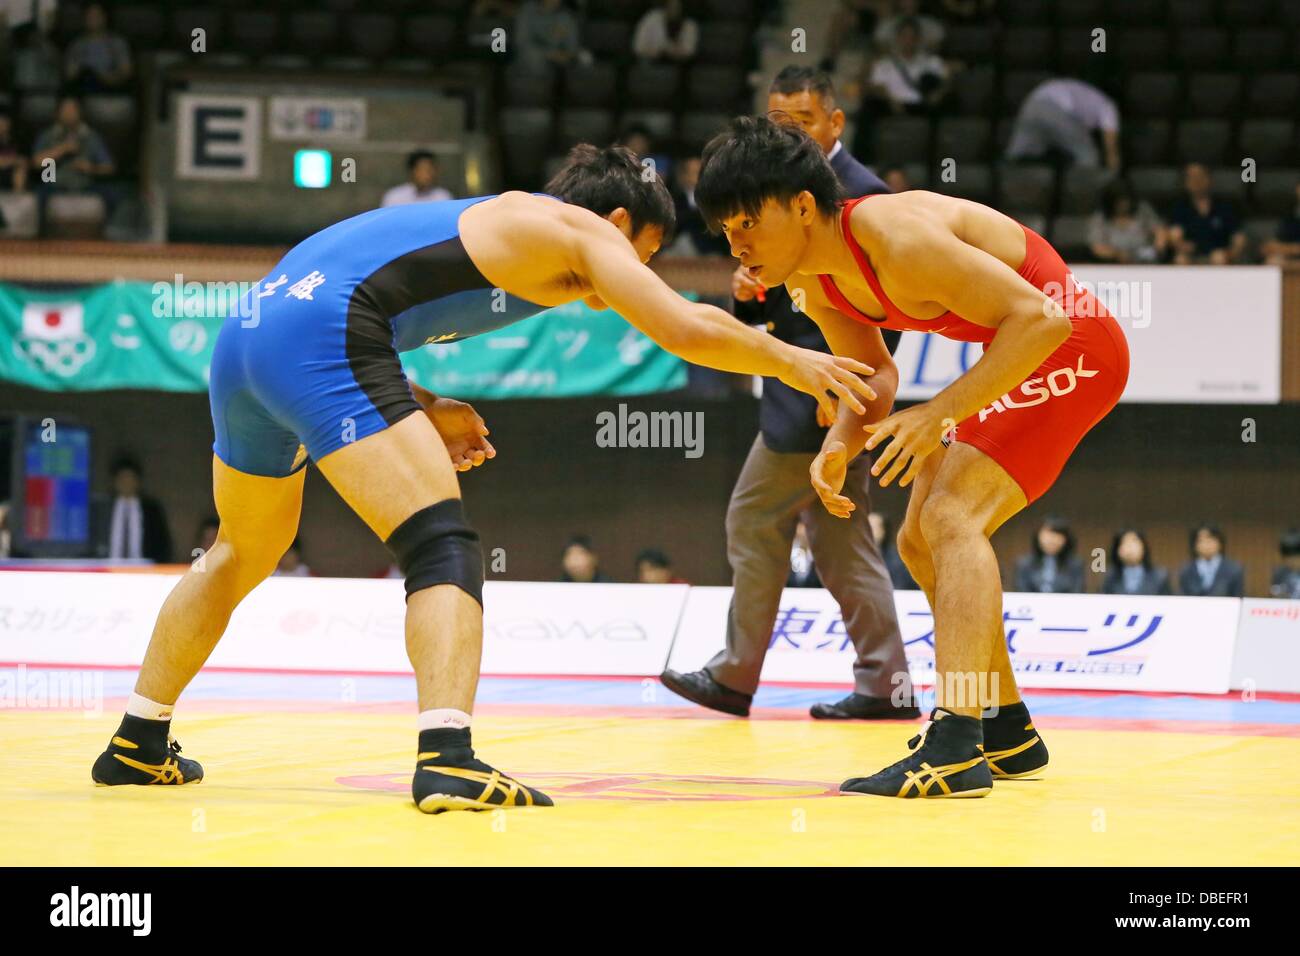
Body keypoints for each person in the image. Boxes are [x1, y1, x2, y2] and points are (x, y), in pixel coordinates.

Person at [89, 143, 875, 812]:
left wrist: (421, 403)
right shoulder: (576, 229)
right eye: (647, 257)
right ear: (620, 225)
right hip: (322, 336)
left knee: (239, 550)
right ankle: (447, 757)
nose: (636, 278)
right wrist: (792, 359)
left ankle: (138, 739)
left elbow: (354, 298)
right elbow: (684, 326)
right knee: (441, 544)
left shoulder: (501, 220)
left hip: (249, 340)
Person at [696, 116, 1130, 797]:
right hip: (1019, 353)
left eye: (748, 221)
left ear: (804, 207)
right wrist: (839, 443)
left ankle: (956, 740)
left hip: (1071, 343)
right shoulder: (811, 279)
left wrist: (942, 412)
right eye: (726, 230)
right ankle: (1004, 726)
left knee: (952, 518)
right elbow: (875, 377)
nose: (737, 245)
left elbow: (1044, 320)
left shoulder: (894, 237)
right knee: (919, 539)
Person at [661, 67, 916, 723]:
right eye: (777, 121)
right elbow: (778, 297)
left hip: (825, 390)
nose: (787, 132)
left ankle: (735, 676)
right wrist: (750, 296)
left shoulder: (859, 195)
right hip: (806, 379)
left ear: (835, 123)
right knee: (841, 542)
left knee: (754, 520)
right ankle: (884, 686)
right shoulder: (769, 186)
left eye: (801, 121)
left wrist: (843, 392)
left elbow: (875, 313)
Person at [1005, 76, 1121, 172]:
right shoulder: (1107, 105)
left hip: (1033, 103)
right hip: (1055, 107)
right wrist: (1113, 171)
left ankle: (999, 191)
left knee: (1017, 156)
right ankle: (1081, 195)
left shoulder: (1089, 96)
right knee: (1088, 155)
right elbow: (1111, 146)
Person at [865, 18, 949, 117]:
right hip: (892, 106)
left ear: (918, 39)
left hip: (923, 108)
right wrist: (890, 100)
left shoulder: (932, 62)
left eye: (912, 37)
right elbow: (875, 86)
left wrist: (938, 94)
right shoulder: (884, 64)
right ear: (898, 38)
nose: (908, 40)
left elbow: (947, 81)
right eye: (904, 36)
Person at [32, 95, 114, 195]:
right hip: (53, 186)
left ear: (80, 112)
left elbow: (108, 168)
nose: (68, 114)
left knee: (111, 193)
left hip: (86, 186)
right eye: (65, 110)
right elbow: (37, 163)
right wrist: (63, 149)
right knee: (39, 193)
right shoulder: (48, 135)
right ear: (57, 113)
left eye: (72, 110)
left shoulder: (91, 137)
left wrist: (91, 168)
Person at [1167, 163, 1247, 265]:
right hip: (1192, 256)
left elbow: (1238, 238)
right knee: (1180, 259)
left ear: (1209, 179)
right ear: (1185, 182)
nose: (1197, 181)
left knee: (1218, 257)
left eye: (1200, 176)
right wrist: (1182, 246)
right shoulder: (1180, 208)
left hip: (1221, 255)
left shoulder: (1225, 207)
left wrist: (1231, 254)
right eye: (1191, 177)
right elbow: (1175, 236)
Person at [100, 456, 173, 564]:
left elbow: (163, 545)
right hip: (107, 570)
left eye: (130, 478)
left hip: (144, 572)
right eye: (122, 479)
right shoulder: (103, 508)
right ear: (114, 481)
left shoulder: (151, 510)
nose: (126, 483)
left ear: (138, 481)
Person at [1088, 178, 1168, 264]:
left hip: (1144, 262)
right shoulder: (1100, 218)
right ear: (1110, 202)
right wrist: (1118, 254)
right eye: (1119, 202)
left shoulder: (1142, 210)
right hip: (1113, 264)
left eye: (1126, 200)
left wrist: (1156, 251)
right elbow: (1097, 248)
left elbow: (1160, 231)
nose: (1124, 205)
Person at [64, 2, 133, 93]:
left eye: (97, 16)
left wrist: (106, 78)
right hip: (82, 88)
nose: (93, 19)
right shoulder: (77, 45)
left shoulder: (117, 43)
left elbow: (126, 72)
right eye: (89, 16)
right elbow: (70, 74)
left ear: (105, 18)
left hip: (110, 87)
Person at [1012, 516, 1085, 594]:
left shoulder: (1076, 565)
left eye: (1057, 535)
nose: (1052, 540)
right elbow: (1020, 592)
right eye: (1048, 535)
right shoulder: (1023, 564)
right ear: (1038, 536)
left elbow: (1077, 593)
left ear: (1066, 539)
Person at [514, 0, 586, 70]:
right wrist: (551, 54)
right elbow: (521, 41)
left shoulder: (566, 17)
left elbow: (572, 48)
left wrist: (568, 52)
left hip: (558, 69)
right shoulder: (527, 10)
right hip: (529, 66)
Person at [1177, 524, 1245, 597]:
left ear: (1220, 543)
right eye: (1201, 541)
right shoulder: (1186, 570)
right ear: (1195, 545)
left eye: (1210, 540)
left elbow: (1238, 597)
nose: (1206, 545)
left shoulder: (1234, 570)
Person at [1101, 528, 1170, 596]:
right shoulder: (1109, 578)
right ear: (1117, 550)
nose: (1129, 547)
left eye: (1134, 541)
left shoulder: (1159, 576)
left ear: (1143, 546)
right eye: (1124, 543)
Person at [632, 0, 698, 63]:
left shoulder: (689, 25)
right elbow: (638, 47)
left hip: (678, 64)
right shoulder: (652, 18)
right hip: (651, 61)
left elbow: (689, 52)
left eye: (677, 7)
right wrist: (655, 52)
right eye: (670, 6)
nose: (673, 10)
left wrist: (672, 51)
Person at [381, 150, 453, 207]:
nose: (428, 175)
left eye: (431, 170)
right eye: (423, 169)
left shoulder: (443, 197)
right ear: (412, 171)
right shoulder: (395, 197)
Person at [870, 511, 916, 590]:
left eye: (873, 527)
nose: (869, 531)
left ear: (883, 531)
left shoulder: (897, 560)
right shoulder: (853, 558)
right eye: (866, 526)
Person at [1259, 184, 1300, 266]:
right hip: (1291, 258)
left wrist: (1287, 248)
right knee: (1272, 261)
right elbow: (1277, 241)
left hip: (1293, 256)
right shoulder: (1291, 215)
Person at [0, 112, 29, 193]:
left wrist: (8, 161)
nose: (1, 125)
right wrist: (12, 161)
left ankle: (18, 197)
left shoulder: (18, 140)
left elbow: (24, 161)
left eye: (3, 121)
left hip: (11, 175)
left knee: (20, 168)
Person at [1270, 529, 1300, 600]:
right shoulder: (1279, 573)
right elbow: (1272, 598)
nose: (1291, 562)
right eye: (1287, 559)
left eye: (1294, 558)